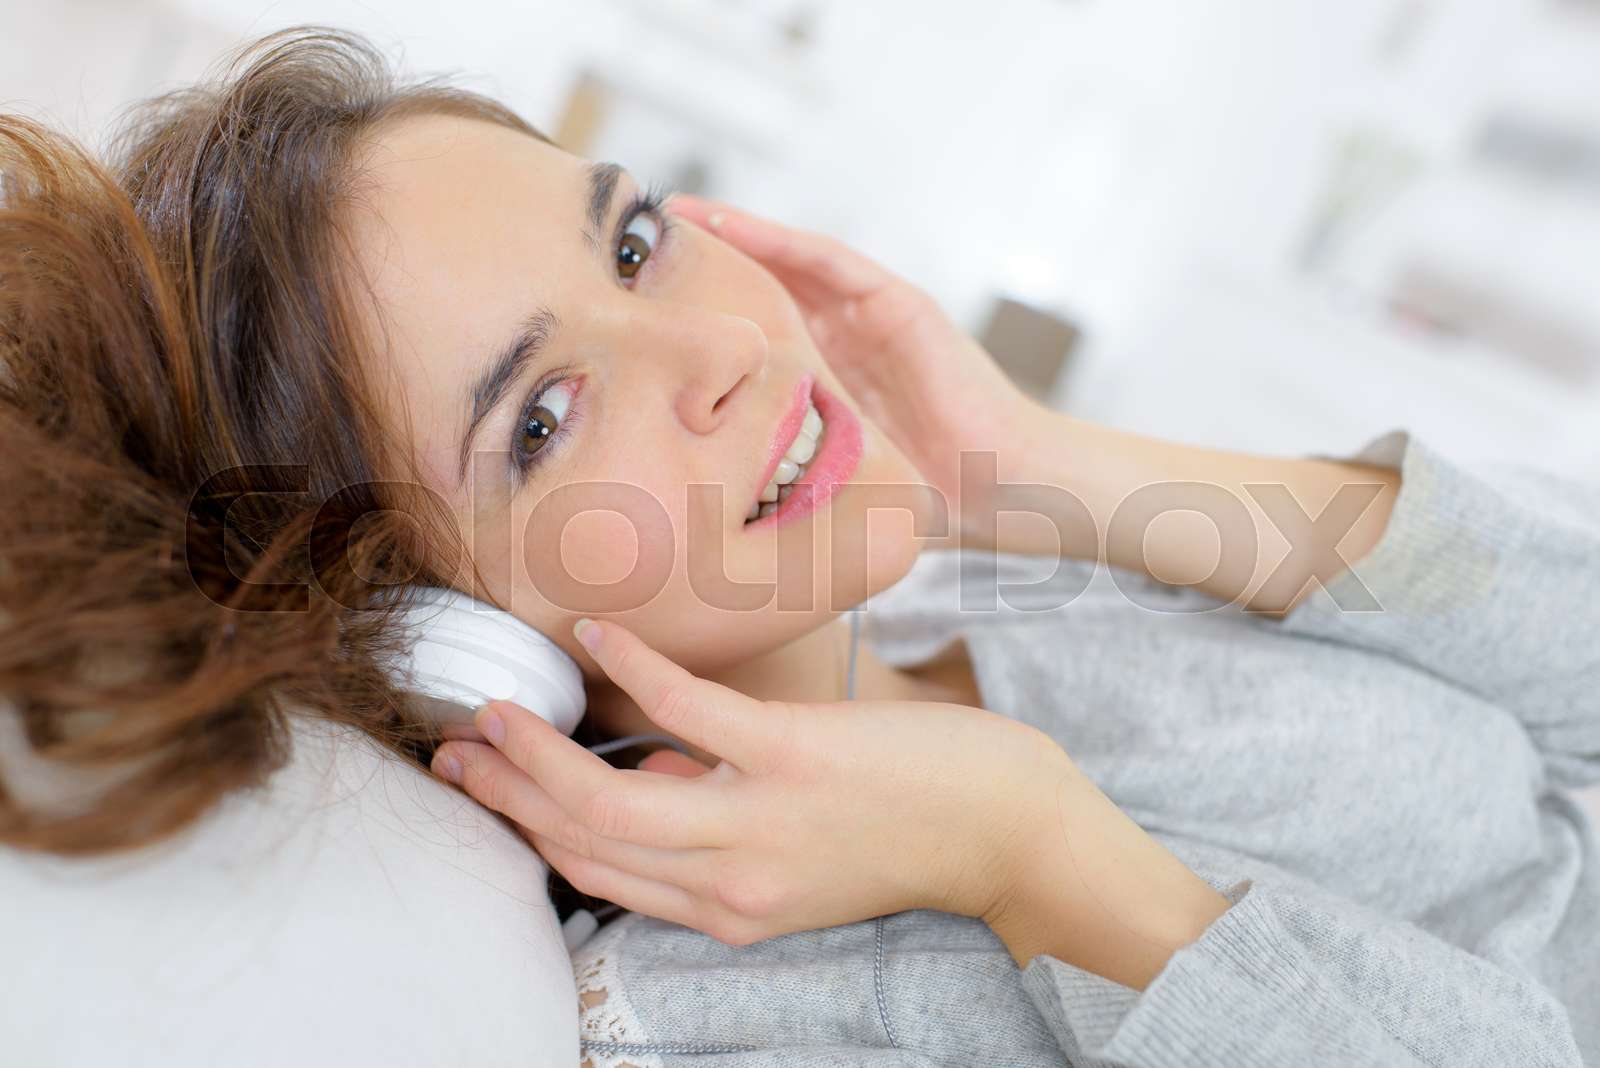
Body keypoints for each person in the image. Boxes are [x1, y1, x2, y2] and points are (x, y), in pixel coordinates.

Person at [0, 24, 1593, 1067]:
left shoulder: (993, 584)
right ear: (436, 640)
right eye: (544, 418)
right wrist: (1036, 857)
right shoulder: (736, 1018)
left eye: (632, 241)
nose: (723, 352)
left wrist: (1041, 465)